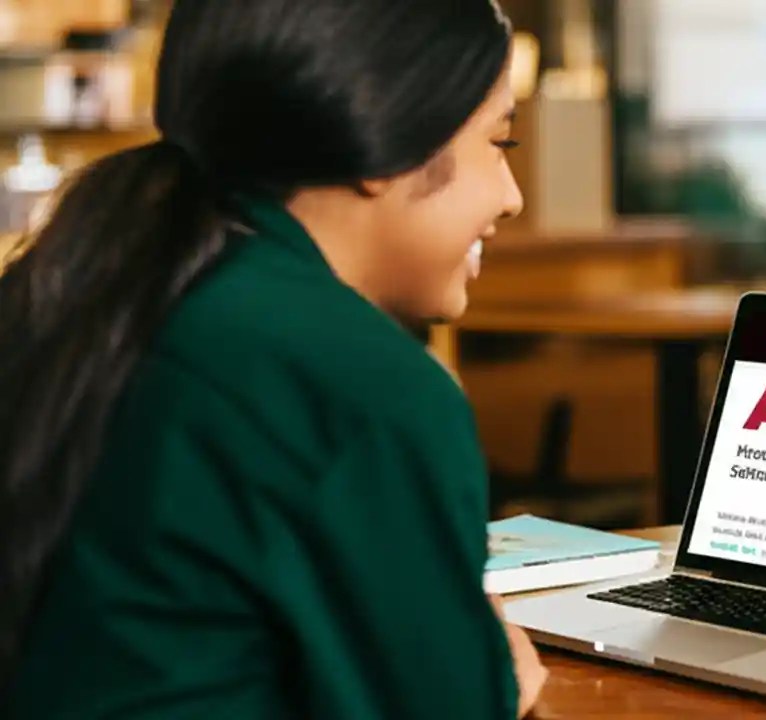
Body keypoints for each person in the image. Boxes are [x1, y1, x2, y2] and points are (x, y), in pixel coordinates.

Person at [0, 1, 548, 718]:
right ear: (385, 134)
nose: (512, 198)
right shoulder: (361, 385)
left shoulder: (69, 293)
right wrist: (497, 681)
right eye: (499, 143)